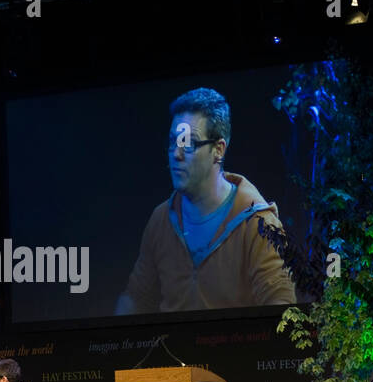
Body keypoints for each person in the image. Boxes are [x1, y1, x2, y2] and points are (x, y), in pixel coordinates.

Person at [116, 87, 297, 314]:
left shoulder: (260, 224)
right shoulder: (161, 219)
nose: (176, 154)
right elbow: (135, 297)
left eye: (188, 143)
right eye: (173, 142)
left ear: (218, 150)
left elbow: (281, 307)